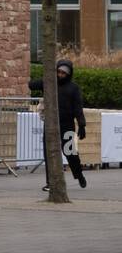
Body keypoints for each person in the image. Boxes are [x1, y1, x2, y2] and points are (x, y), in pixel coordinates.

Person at [30, 59, 88, 190]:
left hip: (67, 125)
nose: (60, 75)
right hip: (50, 125)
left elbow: (78, 108)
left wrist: (82, 124)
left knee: (70, 152)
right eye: (59, 72)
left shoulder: (73, 88)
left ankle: (78, 174)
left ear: (69, 74)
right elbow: (31, 85)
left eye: (64, 73)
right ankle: (50, 183)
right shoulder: (50, 83)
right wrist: (46, 79)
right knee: (48, 153)